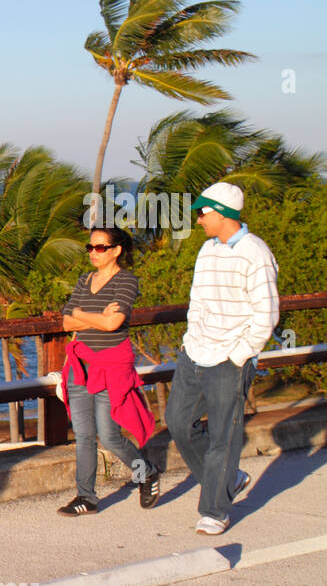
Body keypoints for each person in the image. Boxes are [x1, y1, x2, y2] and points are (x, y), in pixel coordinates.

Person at [165, 182, 278, 535]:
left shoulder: (255, 253)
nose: (198, 219)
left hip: (230, 359)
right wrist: (189, 341)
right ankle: (230, 479)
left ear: (222, 212)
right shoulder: (207, 251)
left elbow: (267, 313)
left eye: (202, 212)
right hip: (195, 353)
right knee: (178, 423)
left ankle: (215, 510)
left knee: (222, 438)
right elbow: (197, 302)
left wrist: (239, 355)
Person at [57, 227, 159, 516]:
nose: (92, 252)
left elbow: (113, 324)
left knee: (110, 436)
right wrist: (96, 317)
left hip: (111, 367)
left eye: (100, 247)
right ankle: (86, 497)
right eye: (89, 247)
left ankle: (146, 472)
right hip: (81, 368)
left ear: (116, 250)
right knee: (84, 436)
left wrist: (82, 316)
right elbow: (66, 322)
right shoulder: (84, 280)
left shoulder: (126, 281)